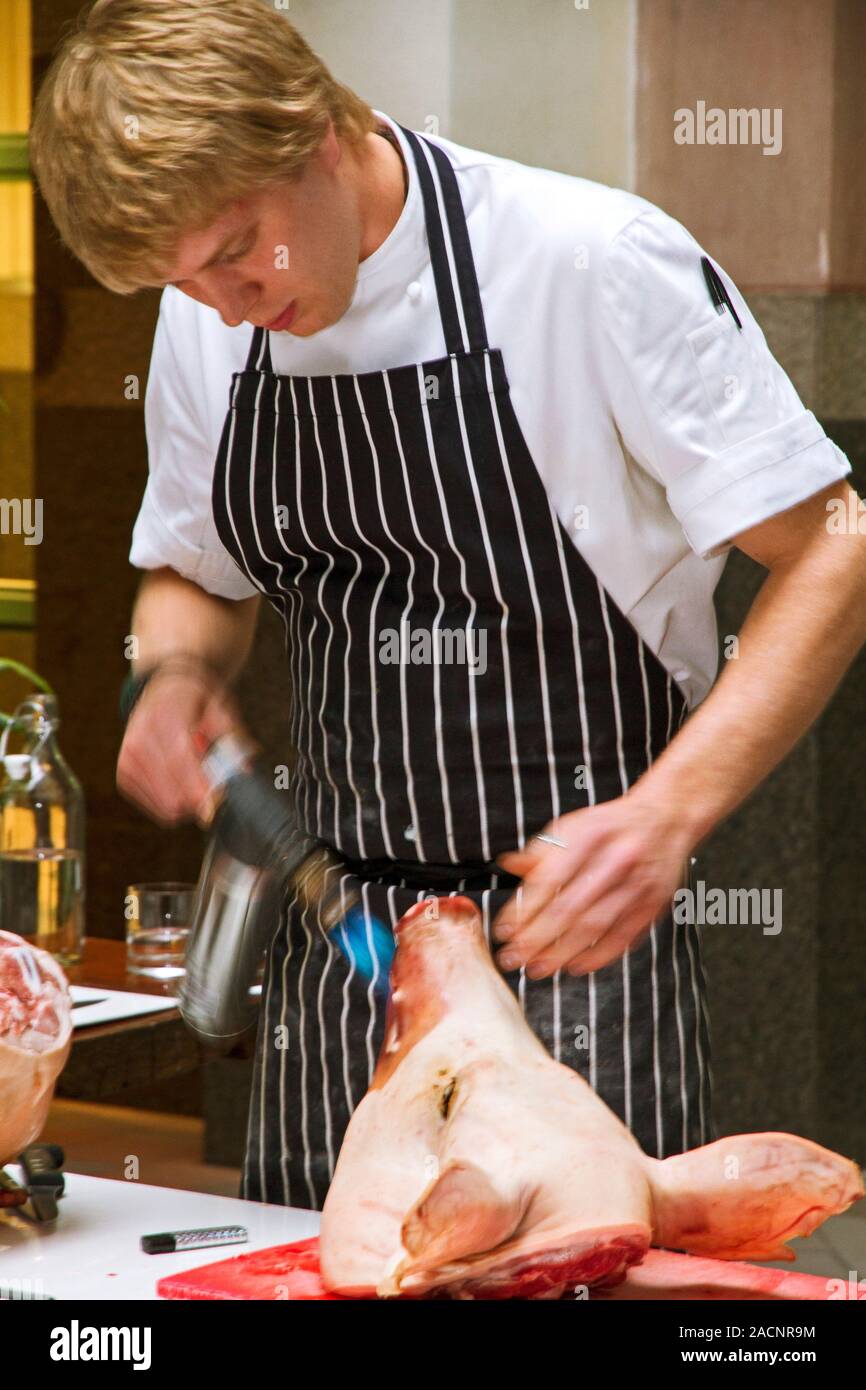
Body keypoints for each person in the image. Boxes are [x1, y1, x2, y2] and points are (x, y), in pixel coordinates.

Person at [30, 0, 866, 1212]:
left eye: (237, 250)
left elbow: (835, 546)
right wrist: (168, 674)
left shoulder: (585, 261)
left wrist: (666, 814)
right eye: (185, 283)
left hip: (567, 954)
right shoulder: (208, 325)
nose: (221, 303)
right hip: (340, 958)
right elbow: (190, 575)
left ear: (320, 130)